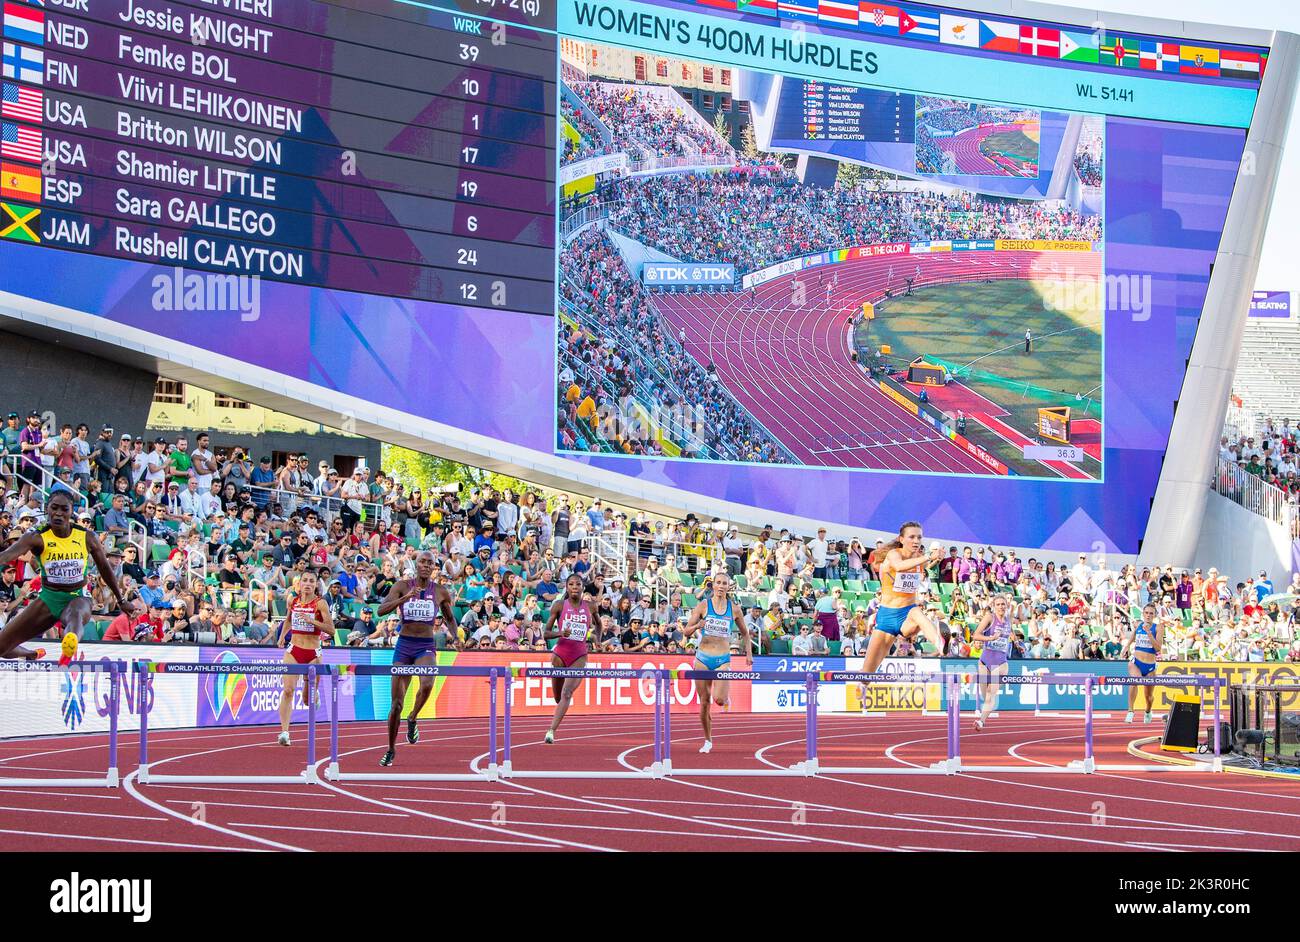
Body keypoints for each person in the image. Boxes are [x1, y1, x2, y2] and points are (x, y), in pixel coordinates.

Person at [0, 490, 128, 663]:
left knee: (75, 615)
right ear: (47, 509)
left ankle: (70, 643)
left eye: (64, 509)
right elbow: (7, 556)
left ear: (70, 511)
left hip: (77, 595)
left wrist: (120, 600)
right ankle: (30, 654)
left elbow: (105, 568)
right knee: (2, 646)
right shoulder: (36, 537)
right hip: (48, 598)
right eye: (54, 508)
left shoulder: (86, 537)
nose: (58, 513)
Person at [375, 552, 457, 767]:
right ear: (416, 564)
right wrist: (405, 598)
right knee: (395, 705)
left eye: (430, 563)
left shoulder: (440, 591)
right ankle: (391, 748)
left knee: (428, 683)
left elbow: (449, 618)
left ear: (433, 568)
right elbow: (380, 610)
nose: (426, 566)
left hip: (425, 646)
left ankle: (413, 717)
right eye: (423, 561)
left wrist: (456, 637)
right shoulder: (402, 586)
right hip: (404, 646)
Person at [681, 573, 751, 755]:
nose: (721, 586)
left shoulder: (734, 609)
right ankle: (707, 739)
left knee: (719, 700)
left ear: (729, 586)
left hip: (722, 659)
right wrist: (698, 626)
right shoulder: (703, 605)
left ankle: (725, 698)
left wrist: (749, 654)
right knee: (704, 702)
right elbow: (686, 631)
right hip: (703, 657)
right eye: (718, 583)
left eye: (724, 583)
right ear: (713, 585)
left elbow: (745, 633)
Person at [863, 523, 946, 674]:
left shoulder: (919, 558)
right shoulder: (894, 554)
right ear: (901, 539)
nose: (916, 541)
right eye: (912, 537)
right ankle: (863, 684)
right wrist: (929, 556)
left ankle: (940, 644)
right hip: (886, 617)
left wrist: (937, 558)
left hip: (907, 616)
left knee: (917, 612)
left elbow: (924, 565)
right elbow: (900, 566)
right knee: (867, 672)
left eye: (919, 537)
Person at [540, 574, 601, 744]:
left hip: (579, 654)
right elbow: (546, 633)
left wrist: (598, 640)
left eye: (578, 584)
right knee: (558, 697)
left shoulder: (591, 606)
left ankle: (551, 731)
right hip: (560, 654)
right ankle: (559, 713)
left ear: (583, 587)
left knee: (567, 693)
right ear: (566, 587)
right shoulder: (559, 605)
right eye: (571, 584)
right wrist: (560, 633)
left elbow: (599, 625)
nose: (575, 587)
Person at [275, 571, 332, 746]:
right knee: (288, 690)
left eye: (311, 581)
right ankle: (284, 732)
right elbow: (288, 620)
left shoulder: (320, 603)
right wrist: (281, 637)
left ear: (316, 584)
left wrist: (312, 621)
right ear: (299, 584)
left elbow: (331, 630)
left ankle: (313, 693)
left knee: (307, 700)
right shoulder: (293, 601)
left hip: (313, 653)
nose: (307, 584)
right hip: (294, 650)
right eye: (304, 580)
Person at [971, 595, 1013, 731]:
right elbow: (975, 635)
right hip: (984, 661)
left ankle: (981, 721)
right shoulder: (990, 617)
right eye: (998, 604)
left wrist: (1017, 643)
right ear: (994, 606)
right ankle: (985, 713)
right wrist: (991, 637)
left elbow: (1008, 637)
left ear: (1006, 606)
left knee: (990, 693)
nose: (1001, 606)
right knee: (986, 697)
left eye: (1003, 604)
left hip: (1001, 663)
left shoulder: (1009, 620)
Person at [1124, 603, 1162, 724]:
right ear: (1143, 614)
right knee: (1134, 681)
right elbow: (1133, 636)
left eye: (1151, 613)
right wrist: (1126, 646)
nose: (1148, 615)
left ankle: (1148, 711)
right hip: (1136, 662)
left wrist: (1149, 633)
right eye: (1146, 613)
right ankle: (1130, 711)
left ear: (1155, 615)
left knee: (1148, 696)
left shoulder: (1158, 627)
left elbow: (1158, 648)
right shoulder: (1139, 625)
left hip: (1150, 666)